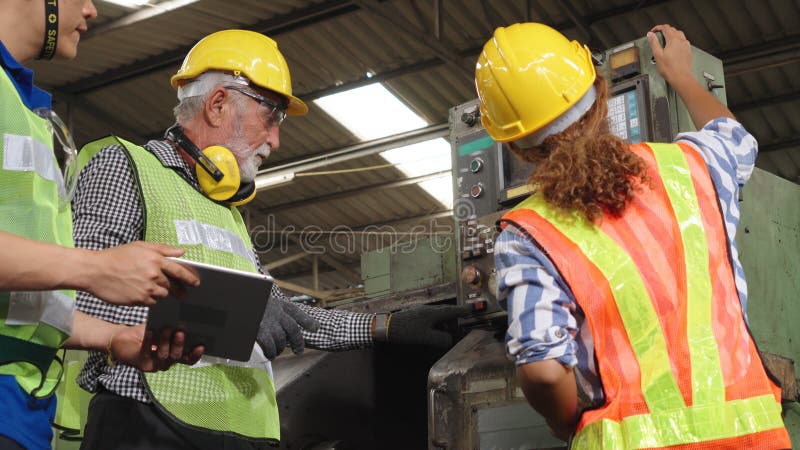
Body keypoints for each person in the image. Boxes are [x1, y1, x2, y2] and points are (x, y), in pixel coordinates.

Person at [71, 29, 466, 450]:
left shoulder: (229, 214)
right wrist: (226, 313)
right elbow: (84, 297)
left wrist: (386, 325)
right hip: (149, 427)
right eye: (271, 116)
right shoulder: (125, 166)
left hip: (244, 433)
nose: (276, 140)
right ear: (219, 104)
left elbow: (284, 317)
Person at [477, 23, 791, 448]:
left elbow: (545, 371)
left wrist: (566, 422)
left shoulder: (528, 234)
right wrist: (682, 76)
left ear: (518, 149)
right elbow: (734, 137)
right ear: (600, 95)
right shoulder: (694, 167)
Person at [0, 1, 204, 449]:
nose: (92, 10)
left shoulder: (24, 108)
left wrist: (114, 337)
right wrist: (96, 267)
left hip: (24, 407)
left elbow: (17, 300)